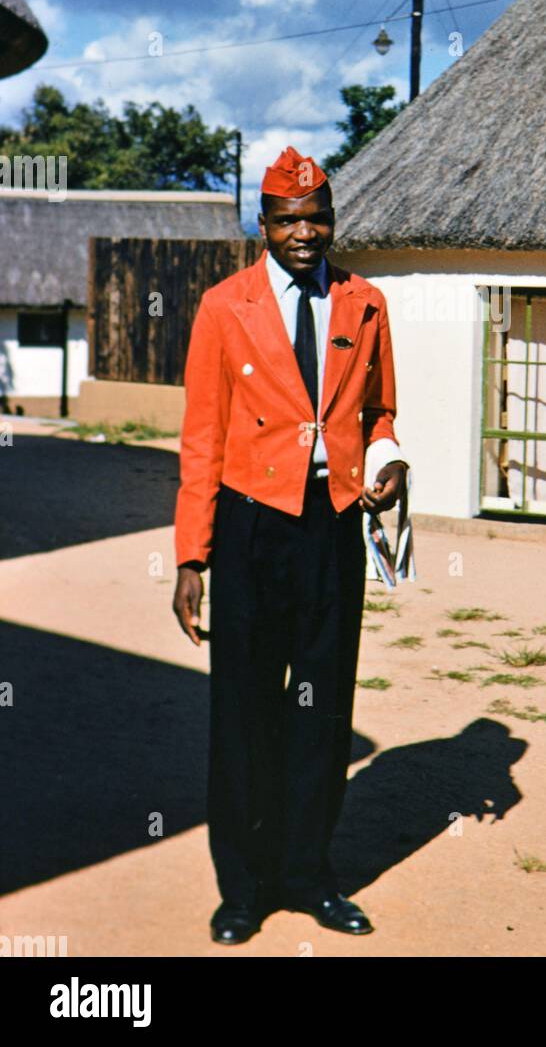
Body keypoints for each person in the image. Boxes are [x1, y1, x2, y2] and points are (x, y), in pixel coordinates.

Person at [172, 146, 408, 944]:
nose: (305, 232)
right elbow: (200, 440)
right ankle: (243, 889)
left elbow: (379, 414)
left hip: (330, 529)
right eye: (288, 220)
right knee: (242, 713)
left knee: (321, 711)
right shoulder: (223, 307)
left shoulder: (364, 303)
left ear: (333, 220)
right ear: (264, 225)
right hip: (249, 529)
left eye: (318, 217)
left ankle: (309, 876)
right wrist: (190, 558)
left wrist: (388, 461)